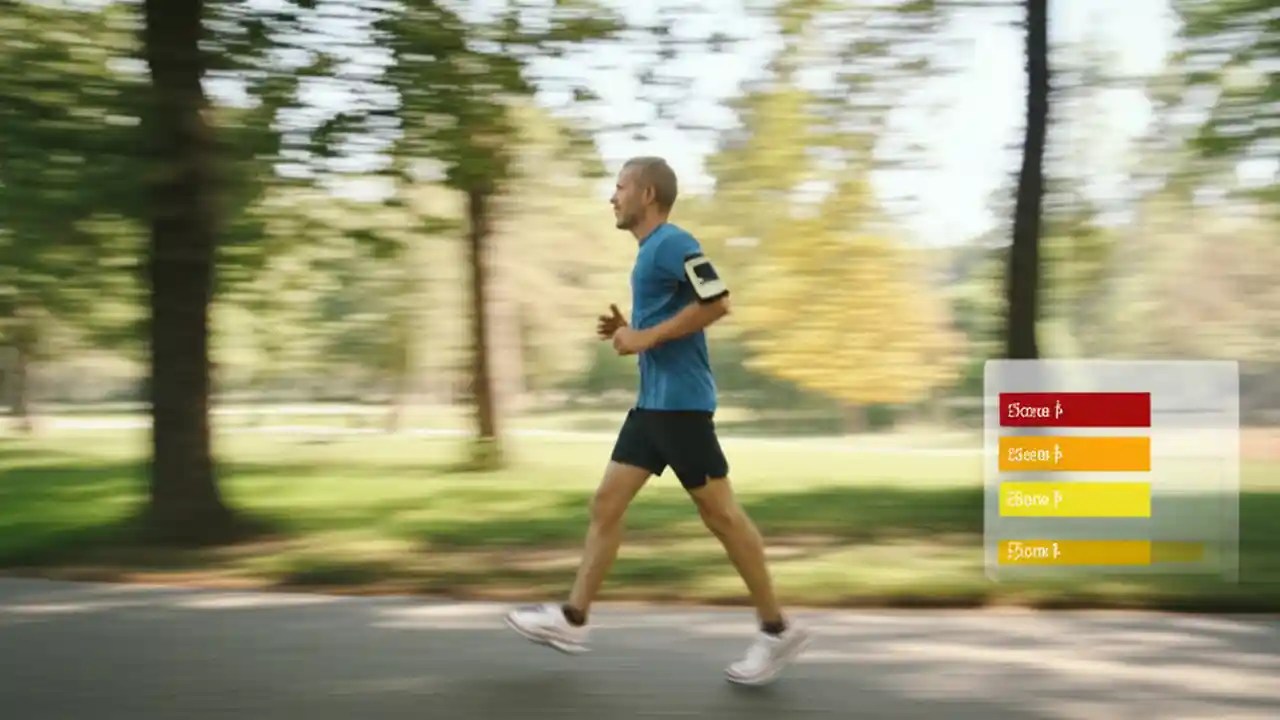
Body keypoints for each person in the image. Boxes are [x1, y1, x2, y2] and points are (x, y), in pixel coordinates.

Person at [504, 156, 810, 686]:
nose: (612, 196)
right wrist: (632, 327)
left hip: (682, 409)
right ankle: (573, 619)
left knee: (723, 518)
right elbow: (677, 314)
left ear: (646, 194)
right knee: (606, 503)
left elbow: (718, 301)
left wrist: (644, 337)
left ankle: (776, 629)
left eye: (620, 187)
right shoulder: (650, 254)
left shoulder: (673, 242)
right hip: (653, 408)